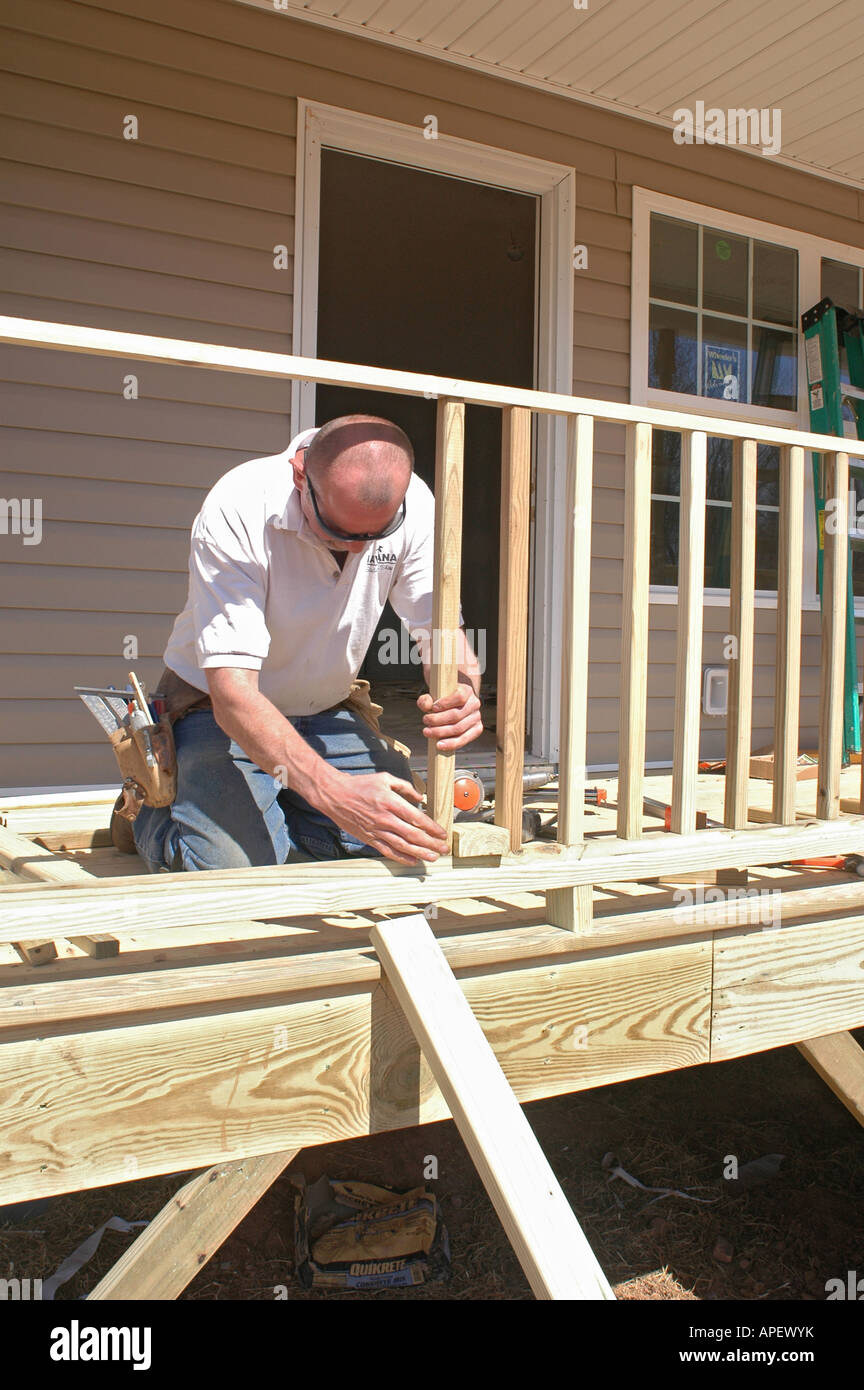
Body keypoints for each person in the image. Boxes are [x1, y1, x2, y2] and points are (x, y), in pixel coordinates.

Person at [128, 414, 484, 872]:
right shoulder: (240, 505)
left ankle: (279, 805)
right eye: (339, 531)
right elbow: (233, 694)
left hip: (323, 709)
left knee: (405, 834)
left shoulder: (413, 500)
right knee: (234, 870)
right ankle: (152, 811)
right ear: (301, 477)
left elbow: (440, 633)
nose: (358, 549)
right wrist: (336, 794)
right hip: (214, 708)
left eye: (376, 535)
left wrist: (465, 690)